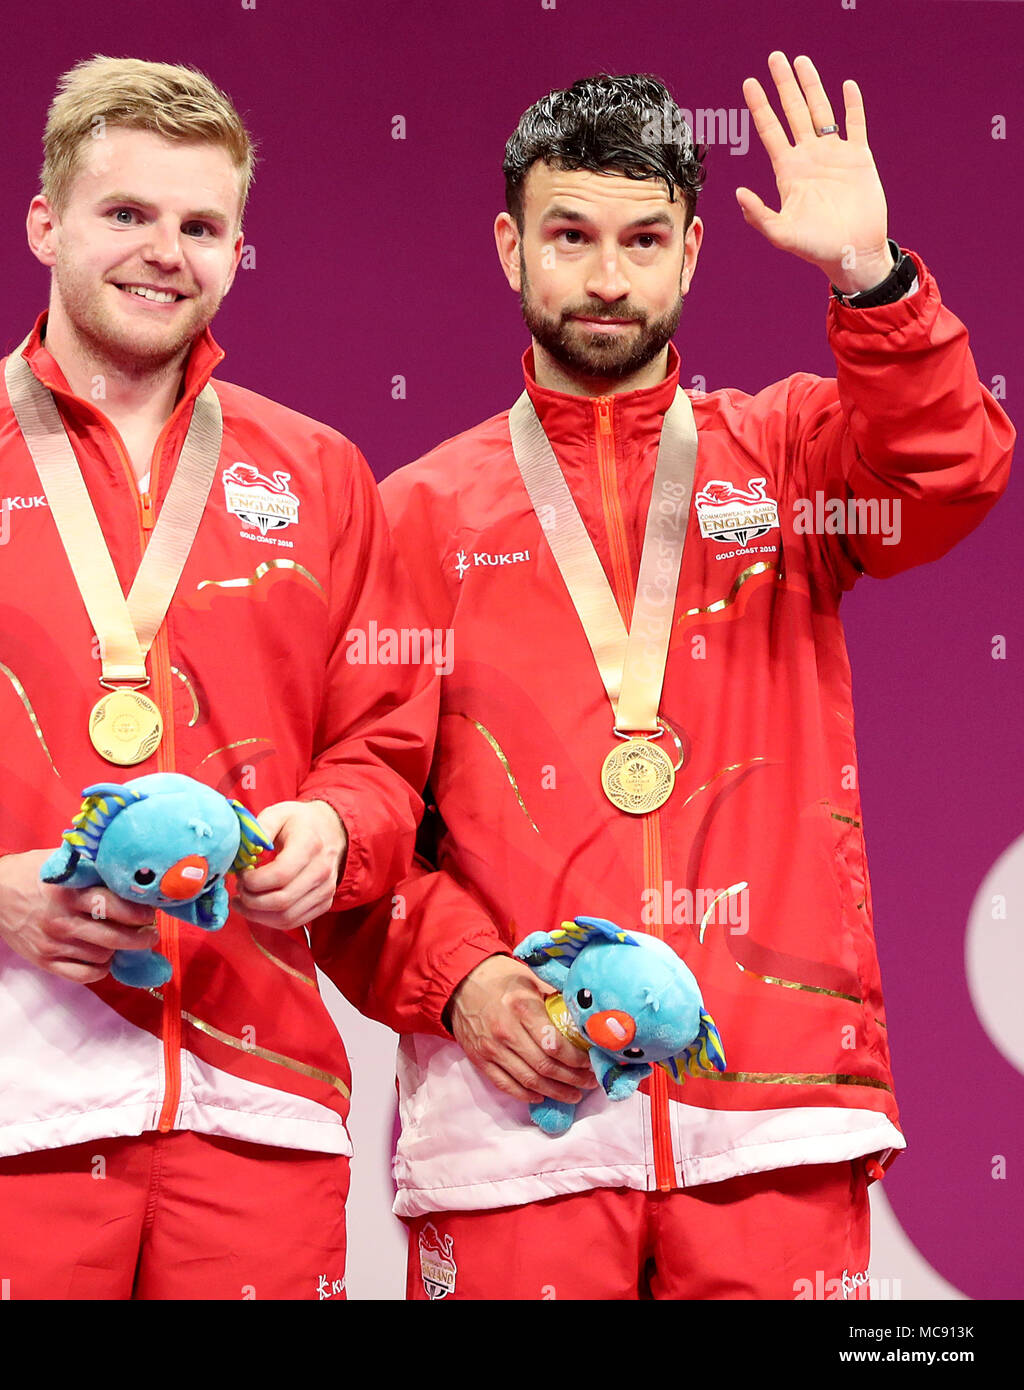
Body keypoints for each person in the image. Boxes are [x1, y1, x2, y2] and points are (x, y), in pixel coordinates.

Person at [310, 55, 1014, 1299]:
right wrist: (461, 978)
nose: (606, 275)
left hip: (773, 1104)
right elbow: (358, 828)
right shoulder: (411, 515)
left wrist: (873, 279)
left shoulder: (792, 458)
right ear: (508, 247)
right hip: (515, 1115)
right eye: (569, 235)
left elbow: (949, 474)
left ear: (692, 253)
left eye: (644, 239)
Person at [0, 55, 437, 1300]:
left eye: (202, 225)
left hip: (265, 1109)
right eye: (127, 213)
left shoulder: (321, 473)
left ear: (240, 249)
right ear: (46, 225)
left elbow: (388, 756)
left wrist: (335, 829)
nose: (164, 252)